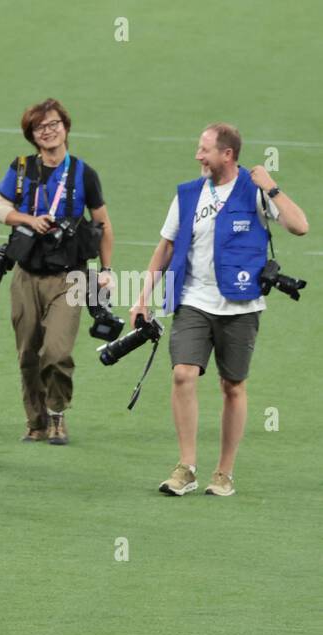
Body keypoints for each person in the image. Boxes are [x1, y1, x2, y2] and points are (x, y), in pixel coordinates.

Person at [129, 123, 308, 496]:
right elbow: (164, 248)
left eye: (205, 149)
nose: (198, 156)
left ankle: (224, 472)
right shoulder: (188, 194)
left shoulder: (256, 192)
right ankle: (186, 466)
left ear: (227, 155)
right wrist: (142, 296)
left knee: (233, 386)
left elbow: (300, 226)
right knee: (182, 373)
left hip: (241, 306)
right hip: (194, 301)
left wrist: (270, 186)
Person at [0, 99, 114, 444]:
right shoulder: (21, 169)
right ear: (31, 135)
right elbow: (0, 209)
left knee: (57, 351)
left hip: (71, 276)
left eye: (53, 124)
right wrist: (29, 219)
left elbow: (103, 224)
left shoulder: (84, 174)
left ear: (65, 126)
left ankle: (58, 414)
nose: (48, 131)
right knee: (28, 352)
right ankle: (36, 421)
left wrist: (107, 270)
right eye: (39, 127)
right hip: (26, 274)